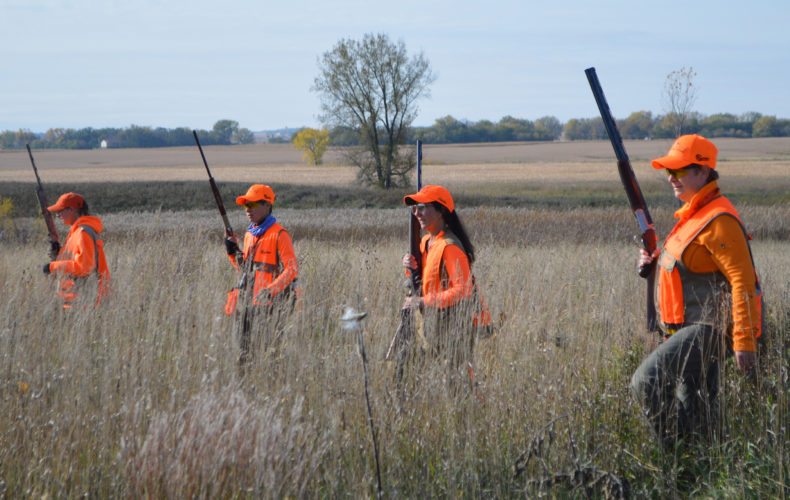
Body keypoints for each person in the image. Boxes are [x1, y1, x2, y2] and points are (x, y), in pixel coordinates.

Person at [630, 134, 763, 448]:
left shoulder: (719, 219)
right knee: (699, 411)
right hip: (687, 328)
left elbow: (743, 281)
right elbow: (683, 265)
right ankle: (700, 472)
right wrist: (652, 261)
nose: (671, 178)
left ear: (702, 172)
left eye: (678, 171)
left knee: (646, 381)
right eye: (669, 171)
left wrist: (744, 340)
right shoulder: (692, 216)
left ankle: (678, 459)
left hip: (710, 328)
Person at [401, 185, 490, 394]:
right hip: (433, 326)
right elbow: (428, 278)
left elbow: (463, 290)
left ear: (440, 210)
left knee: (458, 386)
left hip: (454, 329)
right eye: (415, 209)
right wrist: (410, 268)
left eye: (422, 207)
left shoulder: (450, 246)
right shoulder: (426, 242)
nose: (417, 213)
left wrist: (423, 301)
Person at [224, 184, 298, 365]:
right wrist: (232, 253)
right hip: (249, 303)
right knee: (243, 354)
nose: (248, 210)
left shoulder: (280, 234)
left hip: (274, 306)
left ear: (267, 205)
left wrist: (270, 290)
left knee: (269, 354)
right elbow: (246, 271)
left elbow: (292, 269)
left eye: (253, 205)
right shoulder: (250, 235)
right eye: (246, 205)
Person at [43, 192, 110, 309]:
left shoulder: (83, 233)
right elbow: (74, 259)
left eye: (60, 211)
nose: (58, 215)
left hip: (85, 302)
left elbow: (85, 268)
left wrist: (52, 267)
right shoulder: (76, 231)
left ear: (72, 209)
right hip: (74, 298)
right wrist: (58, 253)